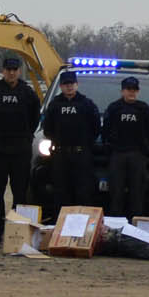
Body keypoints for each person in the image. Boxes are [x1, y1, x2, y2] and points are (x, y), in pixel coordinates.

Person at [0, 55, 41, 243]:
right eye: (8, 69)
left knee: (20, 193)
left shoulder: (28, 93)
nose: (11, 73)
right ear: (2, 71)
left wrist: (24, 137)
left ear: (19, 71)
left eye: (14, 70)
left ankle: (16, 229)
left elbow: (34, 120)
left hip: (20, 150)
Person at [38, 69, 99, 222]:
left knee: (83, 192)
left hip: (81, 155)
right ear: (61, 86)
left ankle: (82, 225)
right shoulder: (55, 105)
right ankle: (60, 225)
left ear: (77, 85)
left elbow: (96, 128)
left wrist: (85, 145)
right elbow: (47, 129)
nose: (69, 87)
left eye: (71, 84)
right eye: (66, 84)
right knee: (61, 192)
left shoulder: (87, 104)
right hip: (60, 155)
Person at [99, 76, 149, 217]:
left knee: (137, 193)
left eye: (134, 90)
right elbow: (105, 131)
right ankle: (116, 224)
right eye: (129, 89)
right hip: (117, 155)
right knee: (116, 193)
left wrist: (143, 148)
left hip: (137, 155)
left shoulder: (144, 109)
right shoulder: (114, 108)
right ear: (122, 91)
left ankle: (135, 224)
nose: (132, 92)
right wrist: (110, 148)